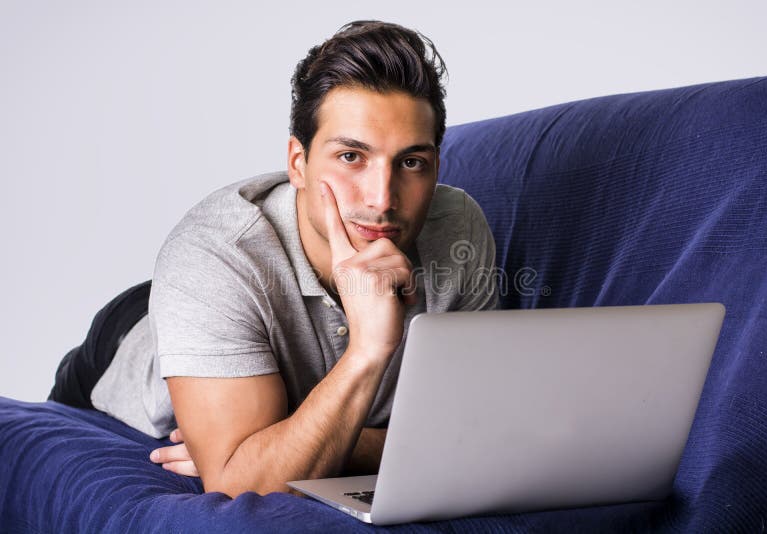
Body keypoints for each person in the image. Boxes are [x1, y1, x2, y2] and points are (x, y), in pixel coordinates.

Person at [49, 20, 498, 497]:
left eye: (411, 163)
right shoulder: (211, 256)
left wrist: (290, 439)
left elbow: (481, 433)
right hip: (136, 333)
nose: (382, 198)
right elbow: (245, 482)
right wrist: (369, 350)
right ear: (298, 164)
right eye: (351, 157)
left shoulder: (457, 227)